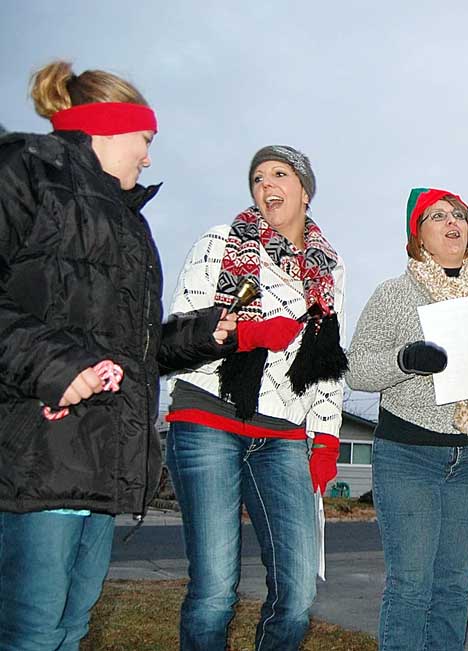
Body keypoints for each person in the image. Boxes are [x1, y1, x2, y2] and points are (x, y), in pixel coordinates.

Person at [0, 60, 234, 650]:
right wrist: (53, 366)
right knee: (31, 632)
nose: (148, 158)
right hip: (35, 457)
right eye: (145, 140)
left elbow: (133, 349)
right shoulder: (25, 169)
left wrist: (205, 333)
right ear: (107, 127)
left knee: (70, 628)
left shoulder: (130, 223)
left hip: (99, 465)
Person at [164, 145, 348, 650]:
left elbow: (329, 363)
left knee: (297, 593)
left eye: (279, 174)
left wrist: (327, 440)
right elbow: (175, 337)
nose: (267, 184)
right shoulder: (219, 242)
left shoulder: (330, 269)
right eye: (258, 177)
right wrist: (247, 335)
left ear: (305, 191)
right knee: (214, 592)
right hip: (207, 417)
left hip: (283, 434)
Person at [346, 188, 468, 651]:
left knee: (453, 586)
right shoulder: (393, 294)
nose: (452, 223)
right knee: (411, 585)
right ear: (417, 235)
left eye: (459, 215)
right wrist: (404, 359)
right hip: (409, 456)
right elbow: (356, 369)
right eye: (438, 216)